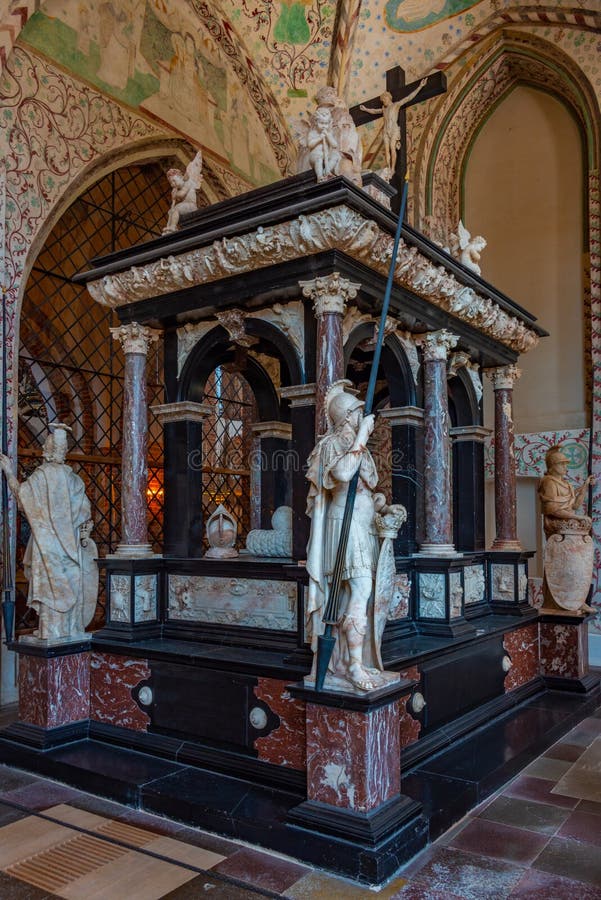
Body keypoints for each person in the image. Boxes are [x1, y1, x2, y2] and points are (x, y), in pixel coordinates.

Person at [305, 380, 385, 691]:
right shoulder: (332, 444)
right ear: (348, 416)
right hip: (345, 524)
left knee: (360, 595)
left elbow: (368, 483)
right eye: (358, 412)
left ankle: (354, 660)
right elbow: (341, 475)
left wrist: (378, 506)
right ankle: (352, 666)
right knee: (360, 590)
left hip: (362, 526)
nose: (364, 416)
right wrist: (362, 437)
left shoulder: (358, 446)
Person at [0, 423, 94, 641]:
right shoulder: (74, 480)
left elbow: (23, 499)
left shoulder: (43, 477)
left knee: (51, 589)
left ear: (49, 451)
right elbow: (85, 514)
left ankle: (51, 630)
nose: (44, 446)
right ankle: (68, 630)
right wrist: (84, 532)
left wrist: (8, 473)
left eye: (48, 444)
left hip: (47, 546)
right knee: (66, 587)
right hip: (69, 548)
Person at [360, 77, 428, 172]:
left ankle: (393, 169)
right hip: (386, 130)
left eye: (384, 99)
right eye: (382, 100)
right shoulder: (384, 109)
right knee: (386, 150)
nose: (383, 101)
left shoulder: (396, 105)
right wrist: (366, 109)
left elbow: (408, 98)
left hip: (394, 129)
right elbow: (375, 111)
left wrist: (420, 86)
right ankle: (388, 168)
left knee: (392, 148)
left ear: (389, 97)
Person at [537, 445, 593, 535]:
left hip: (568, 523)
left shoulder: (567, 484)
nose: (565, 467)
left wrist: (586, 485)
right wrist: (578, 517)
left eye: (566, 464)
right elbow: (552, 509)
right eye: (561, 464)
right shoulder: (549, 482)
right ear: (552, 465)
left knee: (584, 524)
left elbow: (575, 506)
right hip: (556, 525)